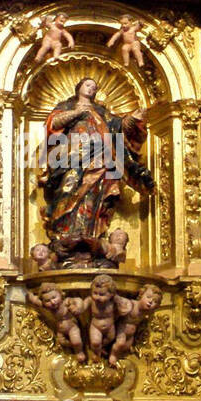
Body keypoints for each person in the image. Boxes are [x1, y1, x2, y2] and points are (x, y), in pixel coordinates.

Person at [41, 77, 153, 266]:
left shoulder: (100, 111)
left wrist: (133, 119)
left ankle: (89, 235)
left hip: (99, 157)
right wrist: (77, 112)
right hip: (72, 155)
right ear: (79, 87)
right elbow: (53, 124)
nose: (91, 89)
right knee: (68, 189)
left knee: (94, 195)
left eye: (94, 87)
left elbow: (117, 126)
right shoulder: (67, 105)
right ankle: (64, 233)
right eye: (88, 85)